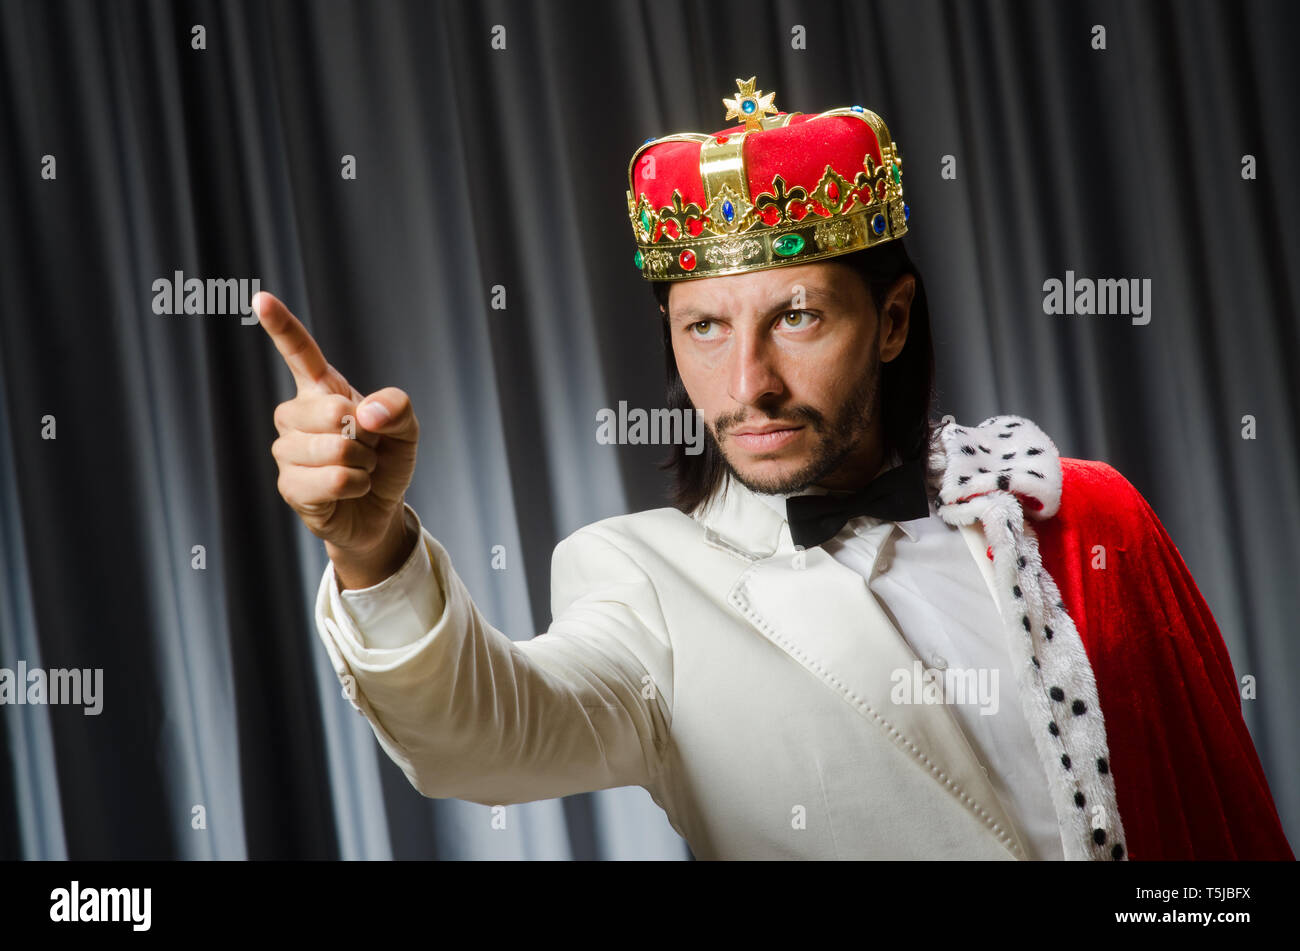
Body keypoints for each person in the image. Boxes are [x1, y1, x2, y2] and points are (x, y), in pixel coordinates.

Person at [256, 78, 1292, 860]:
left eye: (796, 318)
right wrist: (371, 549)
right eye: (704, 327)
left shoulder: (1078, 516)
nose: (746, 383)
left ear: (889, 321)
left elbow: (1219, 820)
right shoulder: (640, 579)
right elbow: (474, 738)